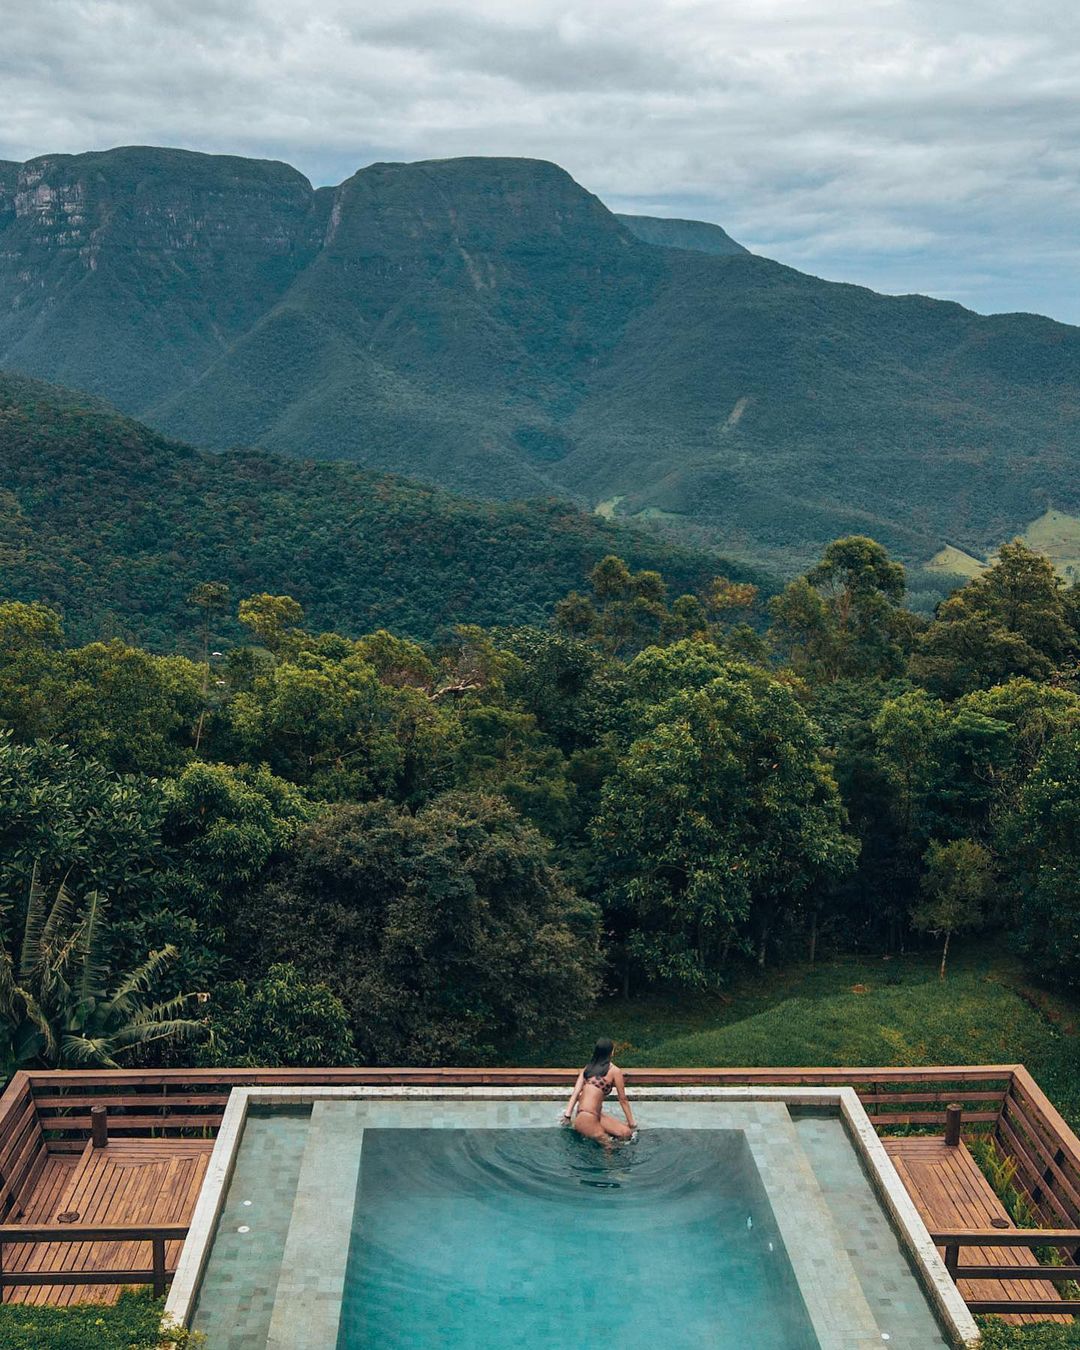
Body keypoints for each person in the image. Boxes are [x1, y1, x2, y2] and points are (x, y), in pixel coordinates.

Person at [561, 1037, 636, 1142]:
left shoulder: (588, 1068)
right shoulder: (615, 1071)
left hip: (585, 1115)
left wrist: (567, 1116)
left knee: (625, 1133)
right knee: (608, 1147)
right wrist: (632, 1122)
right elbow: (623, 1100)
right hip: (589, 1118)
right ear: (611, 1052)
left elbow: (576, 1093)